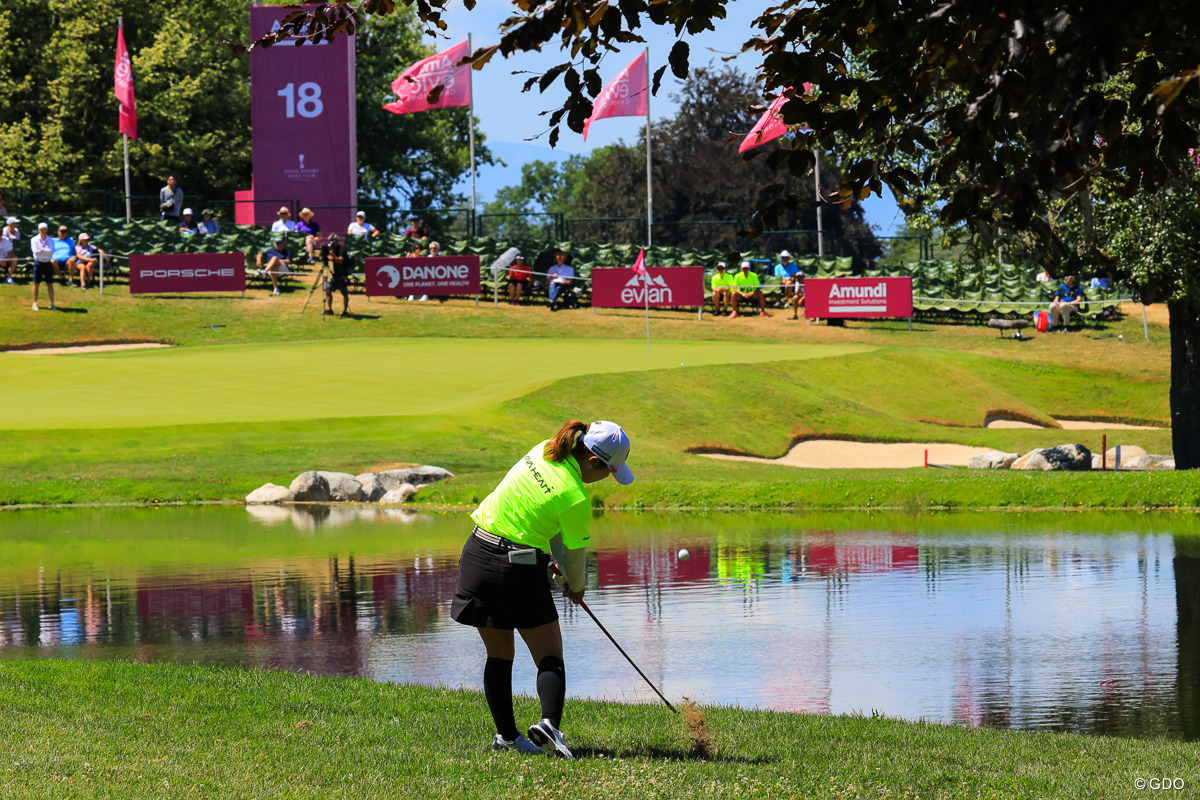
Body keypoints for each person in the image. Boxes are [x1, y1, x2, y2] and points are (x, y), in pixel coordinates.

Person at [451, 419, 635, 759]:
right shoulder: (576, 496)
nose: (607, 479)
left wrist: (548, 558)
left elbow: (542, 520)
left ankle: (507, 738)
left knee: (499, 653)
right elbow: (574, 556)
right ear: (593, 462)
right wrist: (576, 587)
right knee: (550, 655)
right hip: (517, 570)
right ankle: (549, 723)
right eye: (609, 471)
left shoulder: (543, 451)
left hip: (478, 555)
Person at [320, 233, 352, 317]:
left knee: (344, 294)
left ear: (337, 241)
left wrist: (332, 256)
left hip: (342, 275)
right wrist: (325, 254)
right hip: (335, 275)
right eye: (330, 241)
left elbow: (340, 260)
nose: (331, 243)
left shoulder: (342, 249)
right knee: (328, 290)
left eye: (333, 241)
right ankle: (329, 309)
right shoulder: (332, 249)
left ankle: (345, 311)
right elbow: (330, 258)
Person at [29, 222, 56, 310]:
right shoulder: (34, 239)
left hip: (47, 262)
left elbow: (51, 251)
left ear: (47, 230)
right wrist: (46, 251)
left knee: (50, 284)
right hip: (38, 262)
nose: (43, 231)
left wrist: (42, 250)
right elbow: (36, 252)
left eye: (45, 229)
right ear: (38, 230)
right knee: (36, 283)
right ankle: (35, 303)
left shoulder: (50, 239)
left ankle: (52, 303)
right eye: (42, 229)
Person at [0, 217, 18, 284]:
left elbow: (11, 253)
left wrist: (5, 260)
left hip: (6, 260)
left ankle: (9, 277)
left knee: (15, 258)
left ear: (1, 234)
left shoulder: (6, 240)